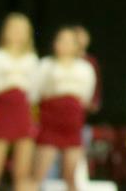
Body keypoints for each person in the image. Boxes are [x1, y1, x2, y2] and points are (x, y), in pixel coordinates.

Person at [0, 12, 40, 191]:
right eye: (13, 29)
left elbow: (35, 92)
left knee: (22, 173)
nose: (17, 34)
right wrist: (11, 82)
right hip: (2, 115)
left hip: (23, 116)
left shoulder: (32, 59)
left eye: (22, 30)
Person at [35, 26, 96, 191]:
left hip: (72, 125)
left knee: (71, 175)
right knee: (38, 174)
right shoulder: (46, 65)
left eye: (70, 41)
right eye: (61, 40)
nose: (65, 45)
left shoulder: (85, 68)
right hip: (50, 123)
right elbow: (36, 92)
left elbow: (86, 97)